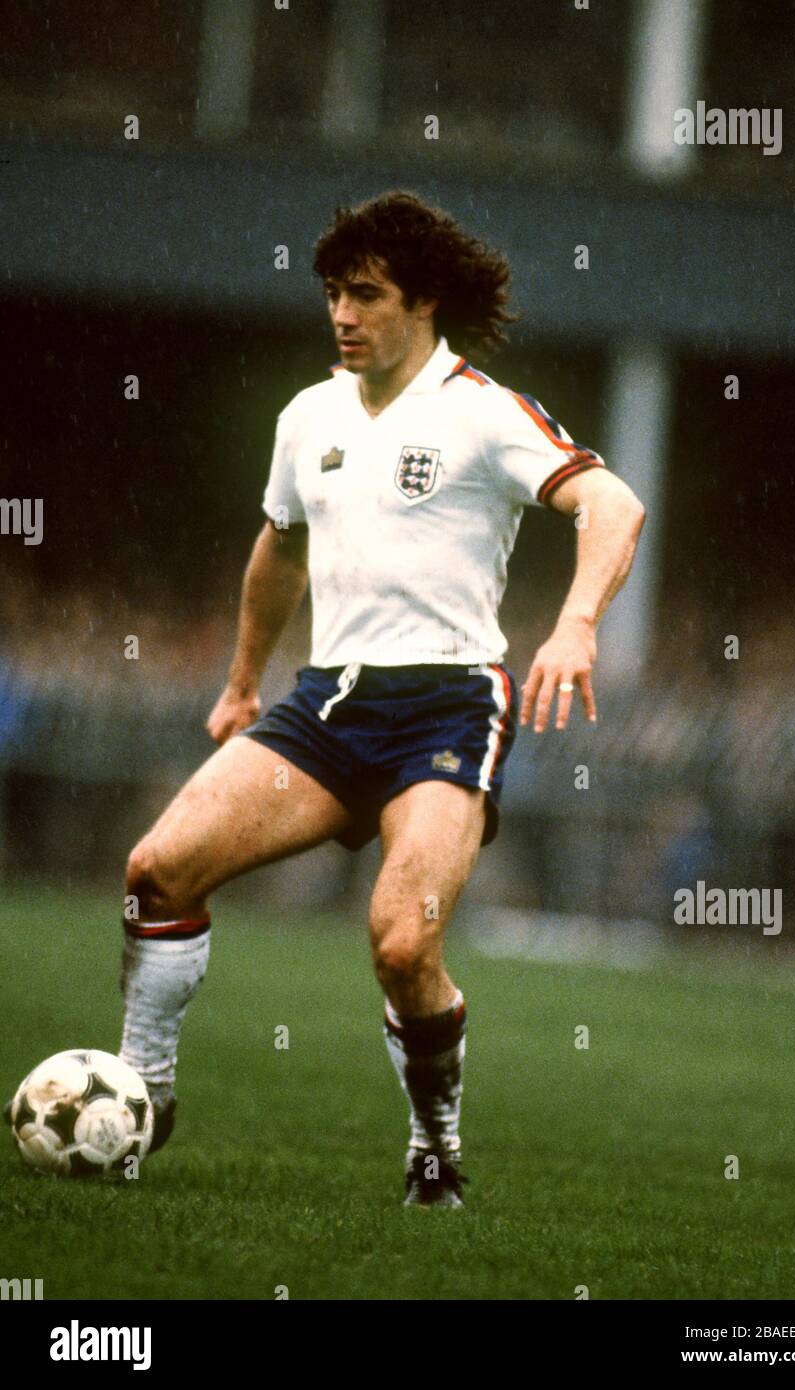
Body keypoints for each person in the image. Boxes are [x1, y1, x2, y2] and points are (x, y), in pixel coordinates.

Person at [114, 191, 645, 1206]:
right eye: (331, 294)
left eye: (364, 294)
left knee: (404, 943)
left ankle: (433, 1147)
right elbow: (280, 547)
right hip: (324, 707)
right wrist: (238, 684)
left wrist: (575, 621)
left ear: (423, 301)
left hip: (446, 707)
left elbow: (612, 502)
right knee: (155, 871)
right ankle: (144, 1085)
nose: (341, 315)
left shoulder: (482, 412)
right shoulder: (307, 414)